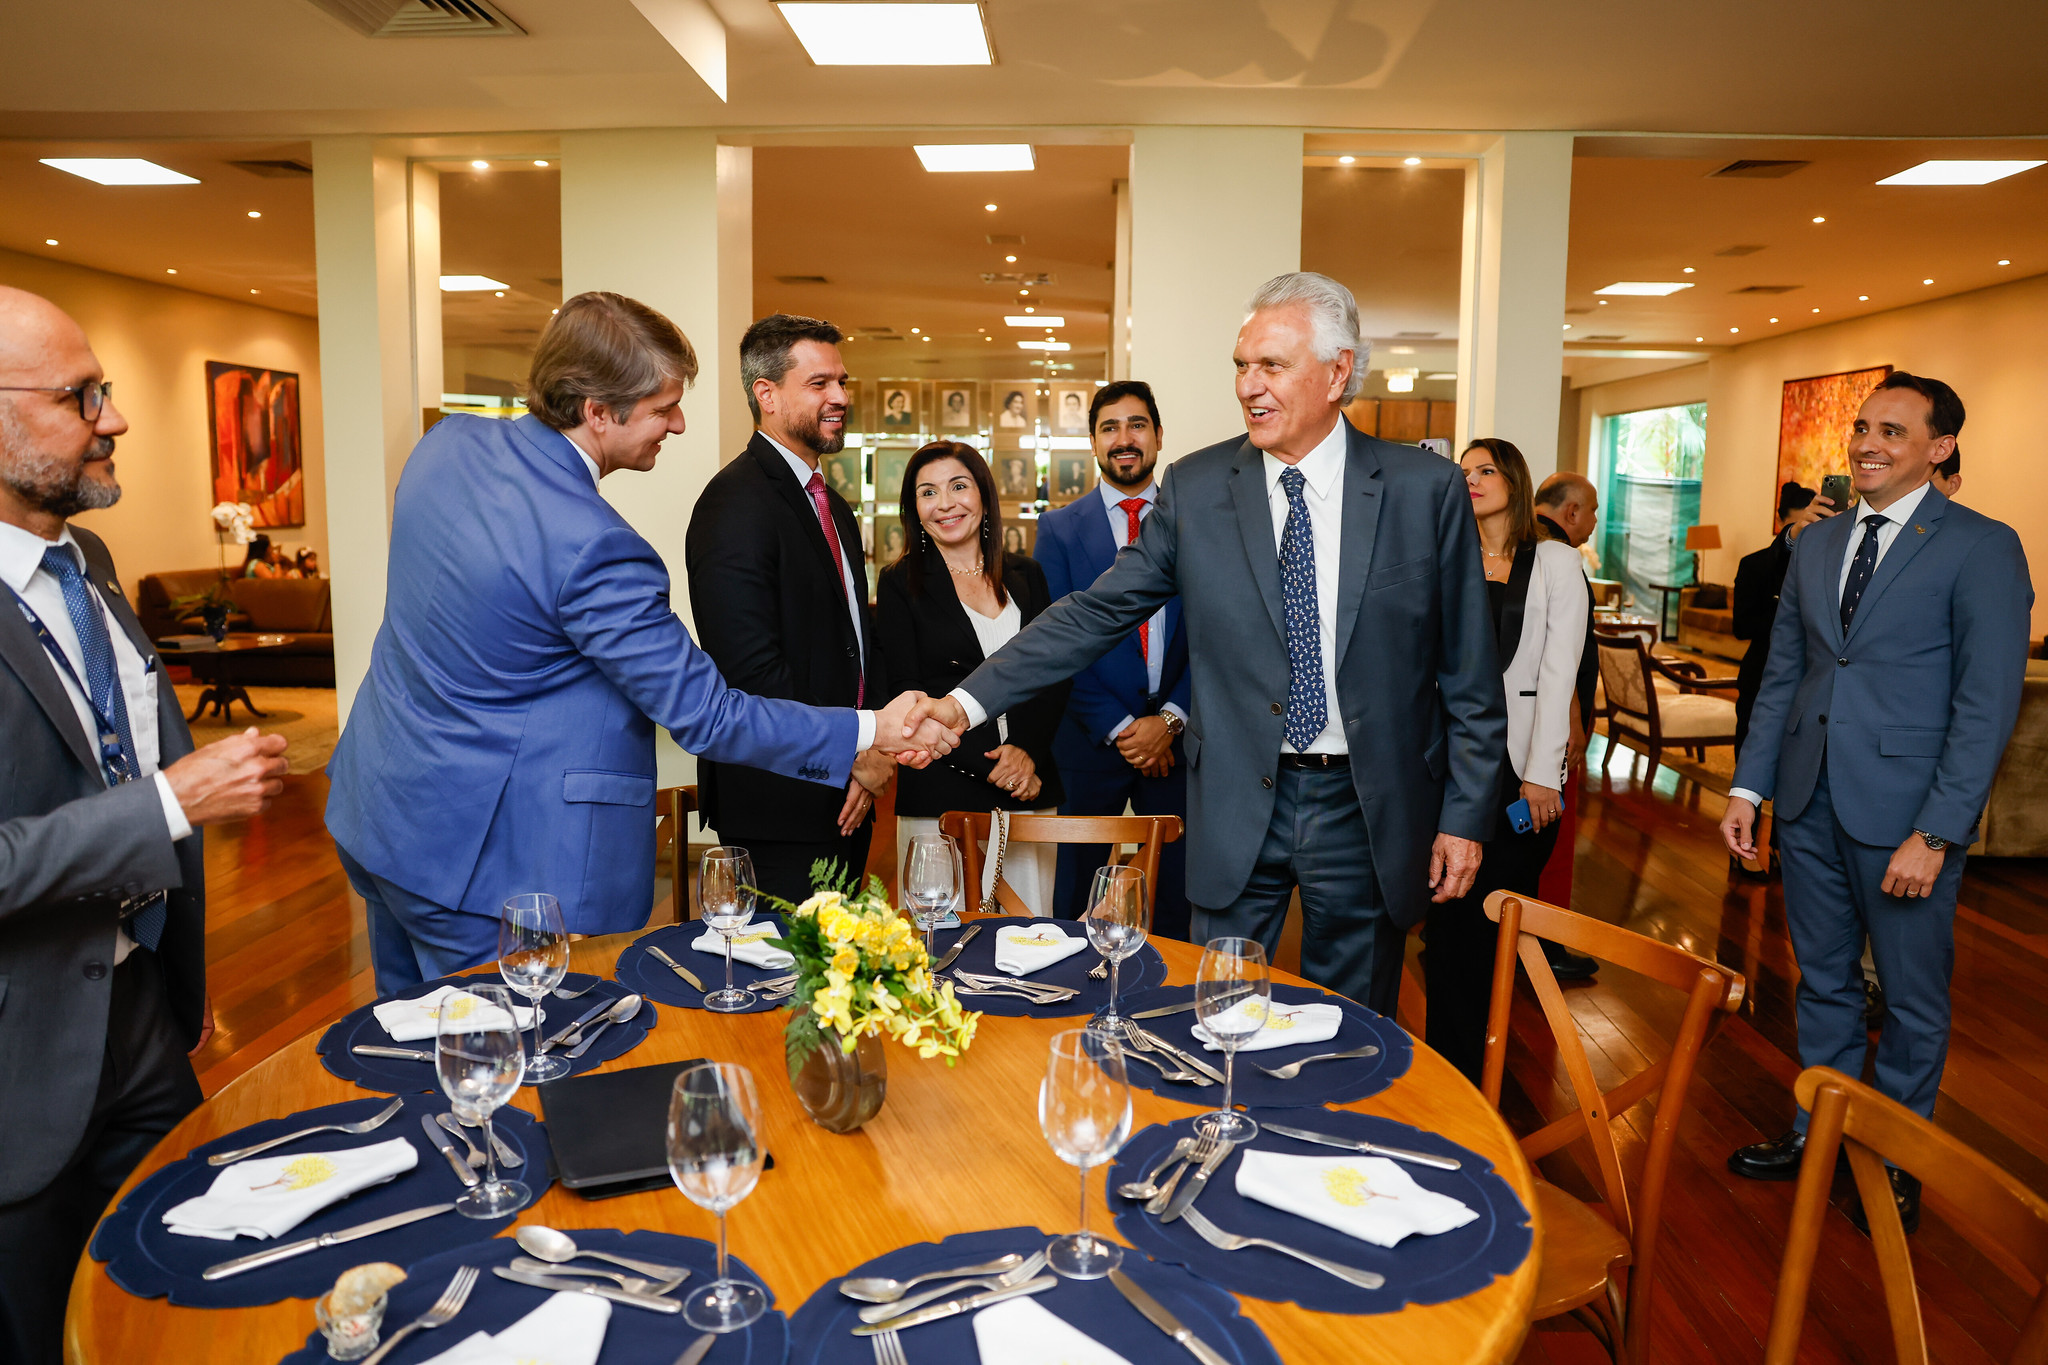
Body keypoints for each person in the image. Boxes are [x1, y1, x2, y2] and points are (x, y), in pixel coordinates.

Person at [326, 292, 957, 992]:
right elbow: (709, 714)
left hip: (379, 811)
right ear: (597, 412)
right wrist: (873, 727)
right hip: (484, 863)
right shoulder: (596, 548)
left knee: (410, 1047)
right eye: (663, 408)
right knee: (510, 1065)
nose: (680, 424)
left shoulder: (446, 445)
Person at [912, 272, 1505, 1015]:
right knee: (1222, 1016)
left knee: (1348, 1026)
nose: (1248, 386)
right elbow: (1090, 614)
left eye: (1271, 366)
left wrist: (1464, 815)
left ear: (1338, 372)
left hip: (1369, 802)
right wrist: (963, 705)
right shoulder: (1196, 490)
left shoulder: (1426, 490)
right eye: (1240, 365)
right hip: (1235, 800)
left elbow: (1470, 674)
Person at [0, 286, 290, 1363]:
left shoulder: (91, 571)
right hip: (18, 1064)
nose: (115, 418)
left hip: (142, 1014)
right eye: (83, 396)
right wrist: (174, 803)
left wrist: (172, 991)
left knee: (176, 1302)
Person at [1722, 372, 2032, 1235]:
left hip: (1908, 816)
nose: (1868, 442)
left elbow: (1986, 704)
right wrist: (1751, 785)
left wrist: (1937, 829)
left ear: (1939, 449)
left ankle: (1893, 1158)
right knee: (1820, 984)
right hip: (1810, 799)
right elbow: (1785, 673)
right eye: (1862, 426)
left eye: (1893, 431)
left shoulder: (1982, 546)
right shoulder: (1816, 546)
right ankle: (1815, 1132)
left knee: (1908, 998)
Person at [685, 315, 891, 907]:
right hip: (778, 804)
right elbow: (750, 674)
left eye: (842, 382)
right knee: (783, 989)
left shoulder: (836, 508)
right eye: (820, 383)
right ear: (766, 394)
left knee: (843, 988)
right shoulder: (733, 504)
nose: (841, 398)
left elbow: (860, 646)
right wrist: (851, 758)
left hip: (849, 795)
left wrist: (872, 754)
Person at [1424, 440, 1589, 1082]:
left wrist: (1544, 773)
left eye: (1485, 470)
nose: (1472, 480)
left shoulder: (1553, 561)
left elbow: (1558, 672)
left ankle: (1483, 1075)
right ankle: (1444, 1071)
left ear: (1515, 482)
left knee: (1492, 922)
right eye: (1462, 472)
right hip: (1445, 762)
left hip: (1520, 769)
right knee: (1444, 925)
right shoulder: (1447, 555)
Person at [878, 442, 1067, 913]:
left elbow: (1054, 672)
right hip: (942, 791)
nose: (945, 503)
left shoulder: (1028, 575)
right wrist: (995, 768)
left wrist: (1027, 754)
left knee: (1031, 938)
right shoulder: (899, 582)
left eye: (958, 486)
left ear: (982, 495)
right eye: (928, 492)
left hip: (1029, 786)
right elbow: (905, 693)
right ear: (914, 509)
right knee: (939, 943)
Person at [1034, 379, 1193, 938]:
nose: (1124, 438)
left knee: (1177, 899)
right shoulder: (1056, 530)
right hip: (1087, 741)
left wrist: (1170, 721)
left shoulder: (1195, 522)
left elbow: (1216, 637)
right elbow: (1057, 641)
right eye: (1109, 428)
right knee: (1075, 897)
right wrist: (1125, 729)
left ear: (1157, 435)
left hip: (1179, 749)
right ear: (1093, 443)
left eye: (1137, 425)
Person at [1528, 470, 1603, 954]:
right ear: (1571, 512)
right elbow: (1556, 649)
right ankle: (1544, 945)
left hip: (1533, 716)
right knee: (1550, 837)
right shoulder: (1557, 555)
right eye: (1593, 511)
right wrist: (1573, 720)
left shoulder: (1517, 541)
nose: (1594, 522)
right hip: (1551, 720)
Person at [1732, 481, 1821, 762]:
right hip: (1760, 678)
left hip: (1811, 685)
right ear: (1782, 523)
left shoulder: (1827, 569)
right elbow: (1741, 626)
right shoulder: (1755, 564)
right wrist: (1790, 619)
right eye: (1795, 528)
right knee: (1750, 759)